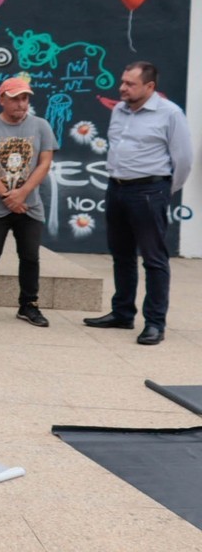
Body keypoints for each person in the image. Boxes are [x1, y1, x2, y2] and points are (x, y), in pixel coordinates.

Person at [84, 62, 193, 345]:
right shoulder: (119, 110)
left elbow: (183, 159)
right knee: (121, 255)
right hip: (117, 187)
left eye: (130, 84)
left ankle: (155, 323)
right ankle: (122, 313)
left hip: (149, 190)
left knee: (154, 260)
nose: (122, 88)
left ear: (150, 87)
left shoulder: (170, 114)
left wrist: (164, 190)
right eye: (122, 81)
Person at [0, 77, 57, 327]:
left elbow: (45, 162)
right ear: (2, 100)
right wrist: (8, 196)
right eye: (15, 98)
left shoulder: (41, 126)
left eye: (25, 98)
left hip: (29, 206)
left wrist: (22, 193)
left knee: (30, 256)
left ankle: (29, 305)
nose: (21, 103)